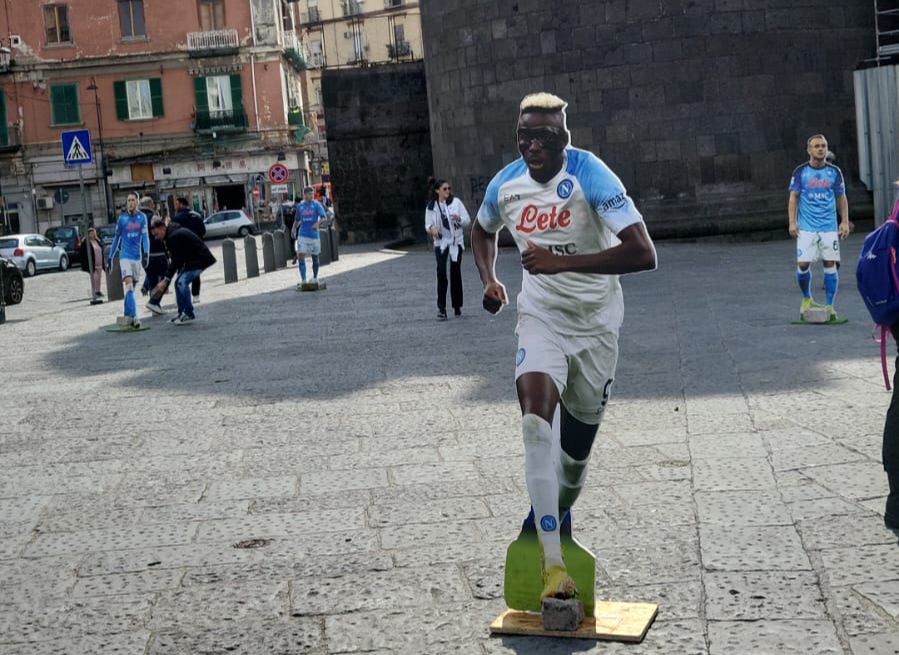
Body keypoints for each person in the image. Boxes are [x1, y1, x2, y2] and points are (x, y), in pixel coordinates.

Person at [471, 92, 656, 602]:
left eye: (546, 138)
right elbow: (481, 230)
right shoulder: (505, 185)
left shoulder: (592, 176)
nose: (533, 146)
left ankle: (550, 513)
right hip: (541, 318)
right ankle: (553, 567)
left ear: (565, 139)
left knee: (572, 464)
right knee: (534, 424)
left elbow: (644, 253)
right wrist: (489, 277)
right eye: (524, 136)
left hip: (596, 326)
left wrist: (562, 263)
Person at [788, 134, 850, 320]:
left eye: (823, 145)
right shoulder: (800, 172)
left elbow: (841, 197)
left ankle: (830, 305)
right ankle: (807, 298)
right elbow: (793, 198)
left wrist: (845, 221)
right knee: (803, 264)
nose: (821, 149)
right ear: (809, 150)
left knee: (830, 263)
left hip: (828, 227)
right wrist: (792, 222)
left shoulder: (835, 172)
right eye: (816, 146)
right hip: (806, 227)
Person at [148, 217, 216, 325]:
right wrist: (167, 278)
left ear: (162, 228)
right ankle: (181, 313)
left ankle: (188, 313)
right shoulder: (170, 235)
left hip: (200, 259)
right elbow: (176, 259)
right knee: (178, 283)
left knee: (181, 282)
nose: (156, 238)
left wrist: (166, 279)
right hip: (192, 260)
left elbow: (176, 260)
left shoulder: (173, 236)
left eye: (156, 234)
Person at [425, 177, 471, 320]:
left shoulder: (455, 203)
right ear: (437, 190)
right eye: (445, 189)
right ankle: (442, 308)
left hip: (456, 243)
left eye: (449, 188)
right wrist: (432, 229)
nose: (448, 191)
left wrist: (459, 219)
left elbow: (467, 220)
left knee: (455, 273)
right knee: (441, 273)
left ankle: (457, 306)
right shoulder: (431, 207)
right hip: (441, 244)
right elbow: (428, 224)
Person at [108, 192, 150, 328]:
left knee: (131, 289)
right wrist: (110, 256)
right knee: (129, 286)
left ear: (137, 202)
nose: (130, 203)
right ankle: (135, 317)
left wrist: (146, 254)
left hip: (136, 258)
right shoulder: (122, 219)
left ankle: (127, 314)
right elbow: (116, 239)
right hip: (124, 257)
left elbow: (145, 238)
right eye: (128, 200)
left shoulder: (142, 218)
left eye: (133, 200)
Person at [171, 196, 206, 305]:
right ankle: (196, 296)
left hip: (182, 250)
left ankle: (182, 296)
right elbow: (203, 231)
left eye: (176, 204)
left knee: (181, 272)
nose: (175, 206)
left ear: (181, 204)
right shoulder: (197, 215)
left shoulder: (177, 218)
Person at [291, 185, 327, 287]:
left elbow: (324, 218)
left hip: (314, 236)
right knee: (301, 256)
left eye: (310, 194)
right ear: (303, 195)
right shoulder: (300, 206)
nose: (308, 196)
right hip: (302, 235)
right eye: (306, 194)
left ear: (313, 194)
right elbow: (297, 220)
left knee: (315, 258)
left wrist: (317, 224)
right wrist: (294, 228)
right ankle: (304, 280)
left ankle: (315, 278)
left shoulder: (317, 205)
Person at [79, 227, 106, 304]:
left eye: (94, 233)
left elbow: (101, 249)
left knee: (99, 278)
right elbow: (82, 254)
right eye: (91, 233)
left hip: (99, 262)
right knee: (95, 277)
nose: (93, 234)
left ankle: (98, 291)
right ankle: (93, 291)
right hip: (92, 264)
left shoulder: (98, 241)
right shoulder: (85, 243)